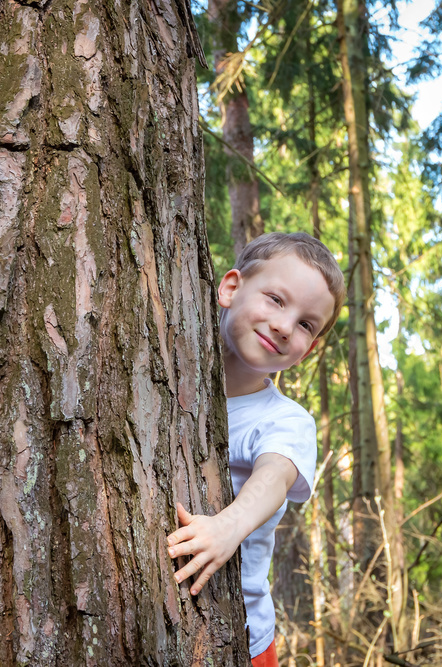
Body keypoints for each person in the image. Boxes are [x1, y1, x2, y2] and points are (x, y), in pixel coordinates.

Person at [166, 232, 346, 667]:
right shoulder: (162, 372)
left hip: (243, 641)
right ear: (230, 288)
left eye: (306, 324)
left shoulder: (286, 420)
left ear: (310, 348)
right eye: (275, 300)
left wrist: (228, 527)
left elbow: (274, 478)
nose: (285, 326)